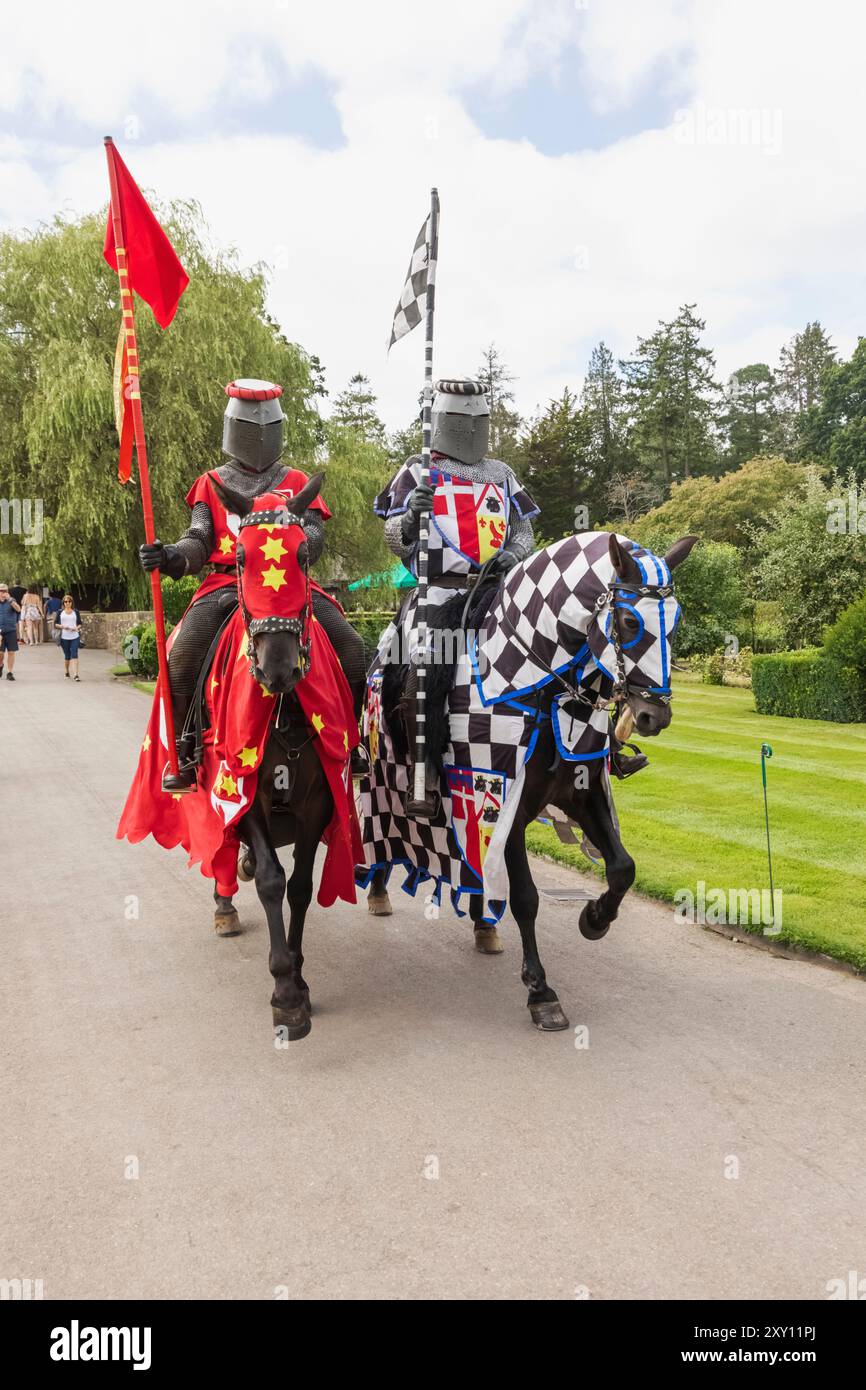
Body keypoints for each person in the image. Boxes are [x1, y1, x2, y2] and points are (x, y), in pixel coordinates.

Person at [139, 378, 367, 791]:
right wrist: (171, 555)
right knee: (183, 654)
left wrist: (297, 540)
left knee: (351, 647)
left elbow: (315, 538)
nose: (258, 434)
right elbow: (200, 539)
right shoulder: (212, 482)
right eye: (251, 427)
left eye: (266, 426)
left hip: (292, 588)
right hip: (228, 586)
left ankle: (354, 743)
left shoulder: (297, 480)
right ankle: (186, 750)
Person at [54, 593, 83, 680]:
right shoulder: (60, 612)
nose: (67, 603)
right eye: (65, 601)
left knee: (74, 654)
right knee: (67, 655)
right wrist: (62, 626)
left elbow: (80, 623)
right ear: (63, 603)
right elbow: (55, 624)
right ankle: (67, 672)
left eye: (69, 601)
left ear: (71, 602)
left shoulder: (75, 612)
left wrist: (76, 628)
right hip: (64, 637)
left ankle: (76, 675)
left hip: (75, 636)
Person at [0, 582, 21, 679]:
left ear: (7, 592)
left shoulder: (12, 600)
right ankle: (1, 665)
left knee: (11, 652)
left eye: (4, 591)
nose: (2, 592)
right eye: (1, 591)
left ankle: (9, 672)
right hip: (0, 631)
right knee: (0, 653)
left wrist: (10, 600)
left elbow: (18, 609)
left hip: (11, 630)